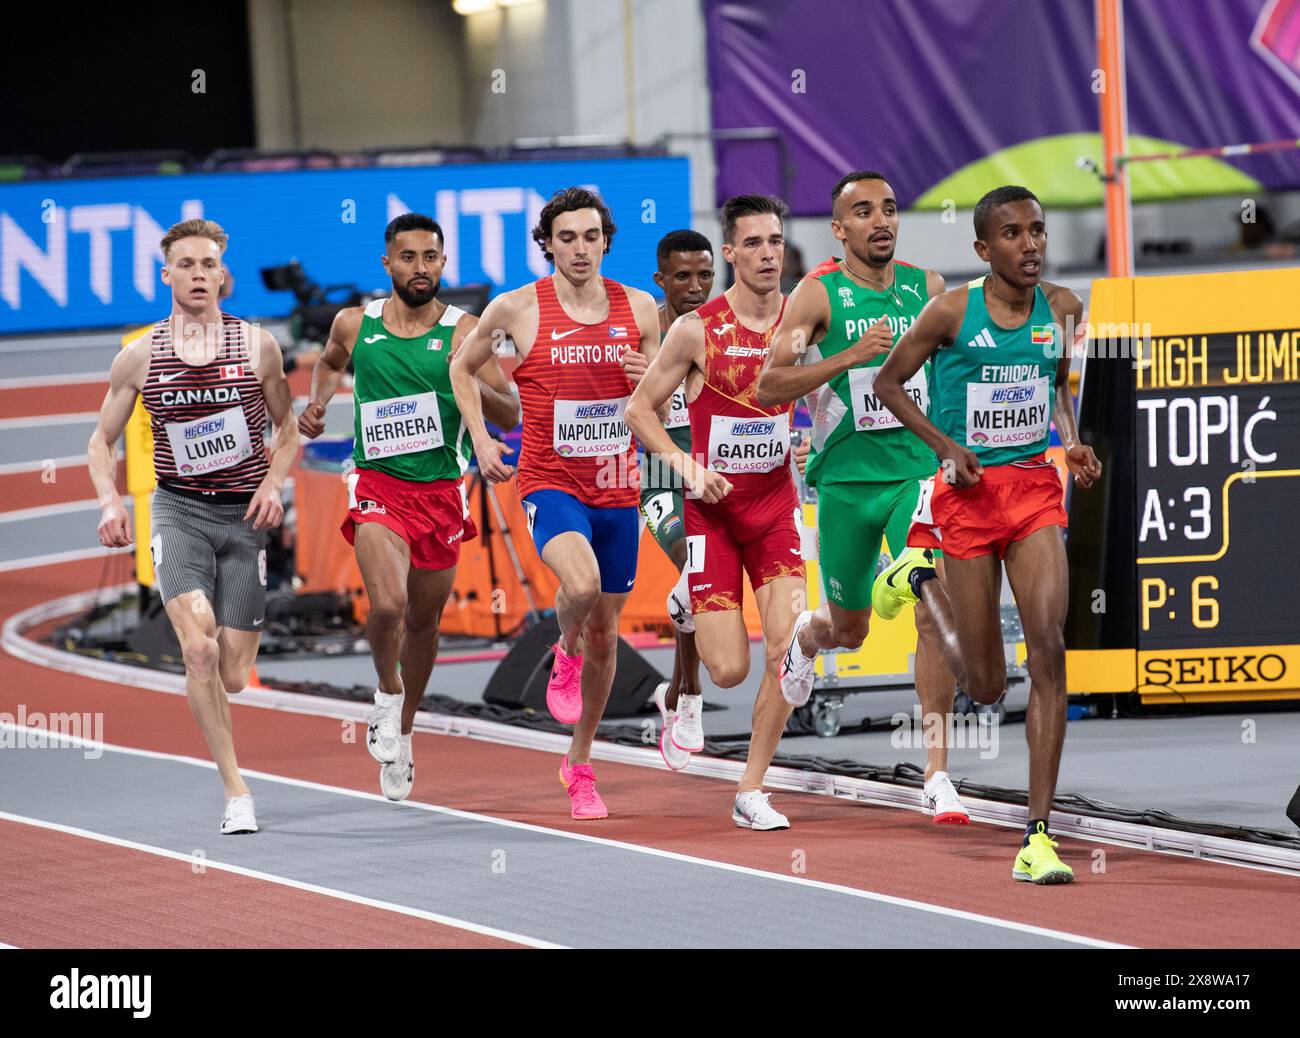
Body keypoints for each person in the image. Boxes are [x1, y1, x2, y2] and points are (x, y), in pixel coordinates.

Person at [872, 185, 1103, 884]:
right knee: (983, 684)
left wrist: (1073, 440)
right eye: (1013, 234)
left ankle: (1038, 837)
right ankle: (915, 578)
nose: (1030, 244)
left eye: (1037, 230)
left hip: (1034, 492)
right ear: (983, 248)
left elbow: (1058, 381)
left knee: (1050, 653)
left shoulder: (1063, 307)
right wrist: (945, 446)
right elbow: (887, 384)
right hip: (968, 498)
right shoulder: (949, 313)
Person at [757, 171, 967, 824]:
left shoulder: (927, 289)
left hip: (914, 477)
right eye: (864, 212)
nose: (881, 221)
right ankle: (806, 638)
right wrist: (848, 356)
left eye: (890, 210)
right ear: (839, 229)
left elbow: (953, 371)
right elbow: (770, 385)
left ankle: (937, 773)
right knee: (849, 630)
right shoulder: (817, 296)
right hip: (846, 486)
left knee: (932, 609)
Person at [448, 187, 659, 820]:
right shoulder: (515, 307)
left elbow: (668, 391)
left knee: (606, 632)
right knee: (583, 585)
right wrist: (482, 441)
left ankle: (581, 764)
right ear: (547, 244)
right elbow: (462, 370)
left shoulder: (641, 308)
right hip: (550, 481)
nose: (580, 249)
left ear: (605, 241)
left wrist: (644, 376)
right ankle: (560, 651)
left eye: (591, 237)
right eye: (566, 238)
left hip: (620, 482)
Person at [88, 218, 298, 835]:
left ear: (222, 274)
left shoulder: (259, 346)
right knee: (199, 649)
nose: (199, 274)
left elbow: (286, 429)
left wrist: (272, 484)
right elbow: (99, 442)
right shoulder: (139, 356)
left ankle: (227, 718)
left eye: (209, 264)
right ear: (167, 275)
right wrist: (108, 502)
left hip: (243, 518)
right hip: (178, 510)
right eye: (187, 265)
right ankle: (236, 790)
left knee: (233, 672)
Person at [298, 213, 518, 800]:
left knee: (423, 622)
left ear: (443, 264)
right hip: (377, 485)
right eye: (408, 257)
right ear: (387, 263)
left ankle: (406, 728)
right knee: (389, 606)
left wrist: (465, 380)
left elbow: (512, 410)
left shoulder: (465, 331)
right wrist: (318, 403)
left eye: (431, 258)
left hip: (441, 494)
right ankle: (386, 692)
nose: (420, 268)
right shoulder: (354, 322)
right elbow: (329, 361)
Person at [626, 195, 803, 830]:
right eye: (753, 244)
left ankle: (751, 789)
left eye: (775, 242)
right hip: (711, 514)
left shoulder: (802, 318)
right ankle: (678, 692)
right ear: (731, 252)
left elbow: (838, 388)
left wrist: (806, 437)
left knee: (786, 646)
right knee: (729, 670)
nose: (766, 254)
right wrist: (686, 467)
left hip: (776, 508)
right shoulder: (696, 328)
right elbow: (639, 412)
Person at [642, 230, 714, 771]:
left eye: (704, 275)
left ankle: (678, 692)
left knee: (699, 590)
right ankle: (687, 696)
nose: (694, 287)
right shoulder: (643, 338)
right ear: (660, 281)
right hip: (660, 479)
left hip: (718, 475)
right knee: (694, 571)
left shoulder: (728, 330)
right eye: (682, 277)